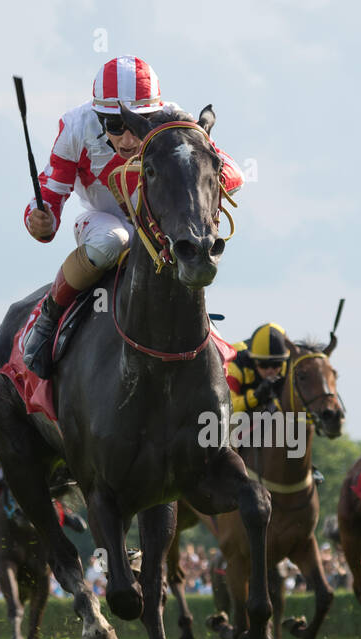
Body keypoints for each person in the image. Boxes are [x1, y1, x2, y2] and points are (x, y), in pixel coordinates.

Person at [21, 56, 244, 377]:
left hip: (158, 226)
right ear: (97, 116)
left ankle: (208, 337)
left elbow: (234, 172)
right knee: (112, 241)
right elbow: (50, 197)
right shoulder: (74, 127)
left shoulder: (174, 122)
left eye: (139, 124)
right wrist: (40, 221)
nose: (127, 140)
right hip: (102, 219)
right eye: (115, 126)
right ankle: (48, 319)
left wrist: (201, 179)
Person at [226, 323, 291, 414]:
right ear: (253, 360)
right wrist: (255, 396)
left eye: (276, 364)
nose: (270, 370)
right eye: (263, 365)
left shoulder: (291, 363)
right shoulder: (234, 363)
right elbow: (226, 406)